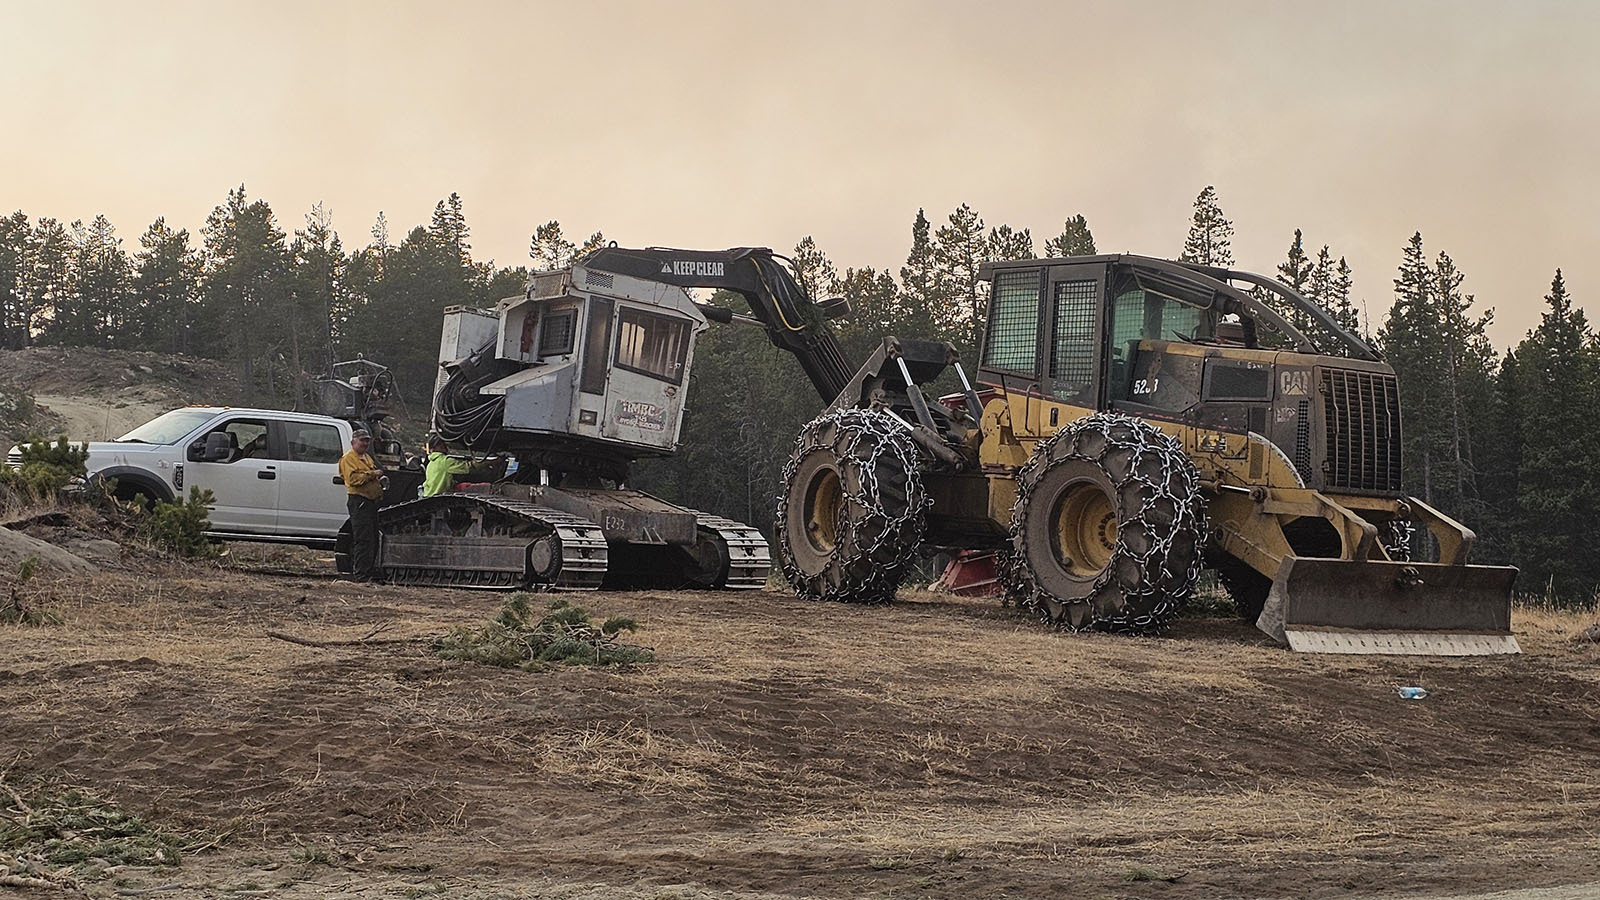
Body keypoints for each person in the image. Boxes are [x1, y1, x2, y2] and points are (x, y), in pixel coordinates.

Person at [339, 429, 386, 582]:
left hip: (371, 502)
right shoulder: (348, 459)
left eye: (367, 440)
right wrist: (373, 475)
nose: (365, 443)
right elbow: (353, 480)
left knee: (373, 539)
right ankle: (361, 574)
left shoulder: (366, 457)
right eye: (362, 441)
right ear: (353, 442)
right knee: (363, 539)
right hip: (359, 501)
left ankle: (369, 572)